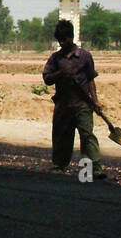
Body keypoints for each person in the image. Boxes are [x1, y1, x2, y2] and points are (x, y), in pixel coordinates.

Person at [41, 19, 105, 179]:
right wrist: (62, 73)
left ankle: (94, 168)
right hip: (63, 103)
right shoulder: (55, 59)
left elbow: (91, 79)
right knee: (61, 135)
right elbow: (47, 78)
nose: (62, 43)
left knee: (87, 135)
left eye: (65, 39)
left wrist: (95, 101)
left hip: (83, 103)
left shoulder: (85, 56)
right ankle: (59, 165)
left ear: (72, 37)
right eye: (59, 40)